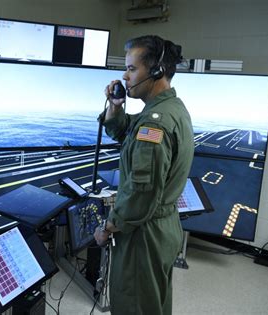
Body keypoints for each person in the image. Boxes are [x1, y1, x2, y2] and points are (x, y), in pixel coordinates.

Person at [93, 35, 194, 315]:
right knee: (153, 301)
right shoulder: (169, 109)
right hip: (163, 227)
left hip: (143, 232)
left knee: (134, 303)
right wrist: (115, 106)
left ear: (156, 71)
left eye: (131, 68)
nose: (125, 76)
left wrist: (108, 228)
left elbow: (141, 192)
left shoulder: (154, 122)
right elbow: (127, 132)